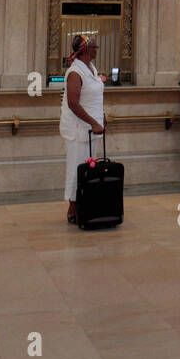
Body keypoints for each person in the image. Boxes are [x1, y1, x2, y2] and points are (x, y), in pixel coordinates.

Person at [60, 34, 105, 223]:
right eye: (93, 46)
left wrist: (100, 118)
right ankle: (72, 208)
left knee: (89, 167)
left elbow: (92, 97)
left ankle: (84, 204)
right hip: (79, 130)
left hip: (91, 129)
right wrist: (93, 122)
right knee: (77, 168)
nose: (96, 49)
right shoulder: (75, 72)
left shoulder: (91, 69)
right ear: (85, 50)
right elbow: (73, 102)